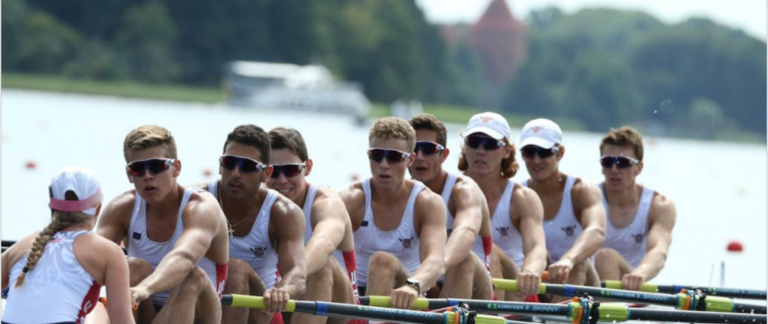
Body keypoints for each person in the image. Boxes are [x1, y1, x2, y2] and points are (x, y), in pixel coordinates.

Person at [96, 125, 229, 323]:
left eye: (157, 166)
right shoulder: (120, 208)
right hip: (146, 308)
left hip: (200, 312)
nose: (148, 175)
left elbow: (184, 257)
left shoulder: (201, 208)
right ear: (129, 175)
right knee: (132, 266)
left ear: (176, 168)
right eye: (138, 169)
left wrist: (145, 288)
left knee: (191, 276)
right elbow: (89, 259)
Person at [201, 124, 307, 324]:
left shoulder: (283, 212)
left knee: (236, 269)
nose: (236, 173)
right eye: (230, 163)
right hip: (207, 300)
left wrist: (282, 291)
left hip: (261, 310)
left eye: (248, 166)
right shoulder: (197, 200)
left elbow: (298, 274)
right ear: (220, 165)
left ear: (266, 174)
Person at [2, 166, 133, 324]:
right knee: (98, 309)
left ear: (51, 206)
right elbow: (122, 321)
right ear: (98, 209)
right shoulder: (109, 252)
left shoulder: (22, 245)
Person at [339, 116, 447, 310]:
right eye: (377, 155)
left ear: (410, 159)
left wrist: (413, 285)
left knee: (383, 261)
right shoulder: (351, 199)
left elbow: (435, 260)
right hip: (353, 296)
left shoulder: (427, 202)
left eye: (394, 157)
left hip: (406, 294)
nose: (384, 164)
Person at [266, 127, 358, 324]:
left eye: (291, 170)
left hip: (343, 312)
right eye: (274, 171)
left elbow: (324, 242)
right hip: (284, 301)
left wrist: (291, 281)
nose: (282, 180)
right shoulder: (255, 203)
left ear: (307, 167)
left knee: (320, 264)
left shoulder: (326, 202)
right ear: (264, 172)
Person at [457, 112, 548, 301]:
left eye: (490, 144)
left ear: (506, 151)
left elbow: (537, 249)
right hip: (463, 282)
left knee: (491, 252)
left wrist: (530, 270)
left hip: (514, 293)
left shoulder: (522, 198)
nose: (480, 151)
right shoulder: (446, 192)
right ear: (465, 147)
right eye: (474, 142)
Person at [406, 114, 493, 300]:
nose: (420, 156)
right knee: (383, 261)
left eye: (428, 149)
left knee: (464, 259)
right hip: (426, 284)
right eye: (414, 149)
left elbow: (467, 230)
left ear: (443, 155)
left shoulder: (463, 189)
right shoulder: (399, 191)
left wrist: (436, 267)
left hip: (475, 288)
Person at [517, 118, 606, 297]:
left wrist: (568, 260)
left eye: (544, 152)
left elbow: (597, 232)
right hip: (537, 280)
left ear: (560, 153)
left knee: (579, 263)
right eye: (529, 152)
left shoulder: (581, 190)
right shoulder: (518, 195)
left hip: (580, 281)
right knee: (539, 259)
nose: (536, 160)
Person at [593, 127, 677, 291]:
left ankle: (605, 311)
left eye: (623, 163)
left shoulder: (659, 205)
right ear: (602, 166)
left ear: (639, 168)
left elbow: (659, 250)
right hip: (587, 281)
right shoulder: (586, 197)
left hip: (631, 286)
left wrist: (641, 273)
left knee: (606, 257)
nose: (614, 170)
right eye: (608, 162)